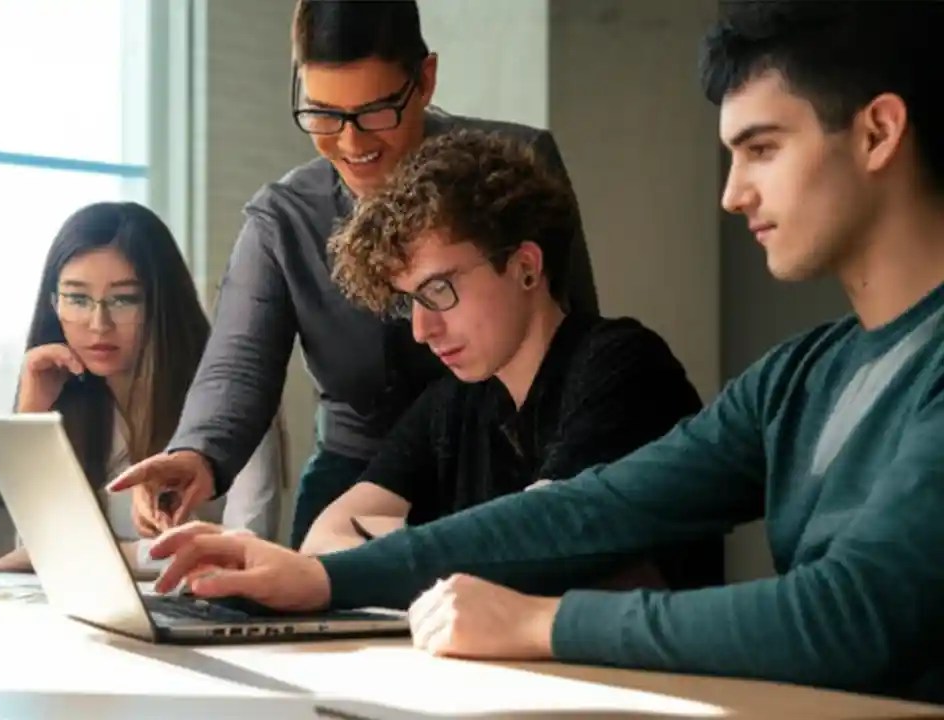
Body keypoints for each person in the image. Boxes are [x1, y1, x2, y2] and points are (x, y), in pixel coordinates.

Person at [145, 0, 944, 703]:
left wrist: (540, 621)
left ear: (877, 132)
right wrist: (320, 577)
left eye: (762, 149)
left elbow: (854, 617)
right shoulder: (795, 378)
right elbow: (587, 507)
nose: (731, 193)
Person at [108, 0, 598, 548]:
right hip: (357, 480)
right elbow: (238, 367)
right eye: (323, 113)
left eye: (375, 112)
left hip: (508, 466)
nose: (351, 142)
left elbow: (572, 337)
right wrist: (194, 453)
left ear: (426, 79)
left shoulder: (515, 166)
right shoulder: (284, 218)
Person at [295, 129, 721, 589]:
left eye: (439, 289)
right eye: (408, 301)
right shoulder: (453, 402)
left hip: (638, 660)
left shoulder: (623, 367)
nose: (421, 330)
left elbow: (539, 545)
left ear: (526, 268)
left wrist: (398, 544)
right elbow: (322, 539)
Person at [0, 202, 282, 572]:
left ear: (161, 304)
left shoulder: (230, 400)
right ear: (53, 303)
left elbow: (248, 549)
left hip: (204, 611)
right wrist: (31, 415)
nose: (99, 323)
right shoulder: (64, 396)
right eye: (77, 299)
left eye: (124, 299)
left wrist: (104, 557)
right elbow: (36, 550)